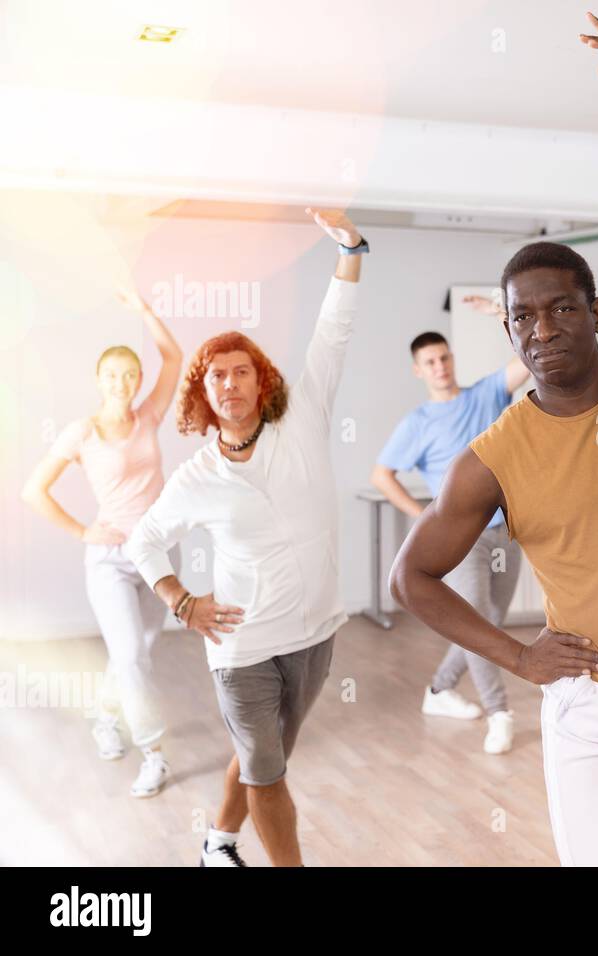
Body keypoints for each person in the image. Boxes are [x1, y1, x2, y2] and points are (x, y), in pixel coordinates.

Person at [389, 13, 598, 866]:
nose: (542, 328)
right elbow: (412, 576)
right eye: (523, 318)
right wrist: (516, 654)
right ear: (509, 337)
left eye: (560, 308)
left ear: (596, 314)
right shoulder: (494, 458)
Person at [124, 208, 367, 866]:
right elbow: (141, 543)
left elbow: (333, 330)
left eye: (240, 370)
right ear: (202, 394)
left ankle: (218, 841)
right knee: (267, 768)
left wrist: (350, 246)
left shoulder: (305, 418)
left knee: (265, 753)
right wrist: (183, 602)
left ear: (263, 380)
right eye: (215, 375)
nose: (229, 382)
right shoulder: (197, 476)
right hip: (242, 644)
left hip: (316, 631)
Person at [21, 287, 183, 798]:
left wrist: (145, 311)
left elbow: (174, 357)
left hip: (158, 553)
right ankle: (153, 753)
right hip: (110, 560)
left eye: (130, 374)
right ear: (98, 380)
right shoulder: (82, 432)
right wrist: (84, 531)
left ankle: (105, 716)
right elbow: (33, 491)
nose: (122, 383)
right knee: (131, 655)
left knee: (139, 652)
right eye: (112, 375)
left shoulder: (149, 415)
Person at [371, 298, 531, 754]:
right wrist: (423, 517)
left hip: (507, 528)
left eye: (444, 357)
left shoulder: (486, 394)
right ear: (418, 370)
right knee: (480, 623)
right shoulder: (417, 423)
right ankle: (500, 713)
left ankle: (440, 690)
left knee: (488, 623)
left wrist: (503, 316)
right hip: (460, 541)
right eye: (430, 362)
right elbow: (381, 475)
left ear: (451, 360)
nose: (439, 366)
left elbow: (528, 358)